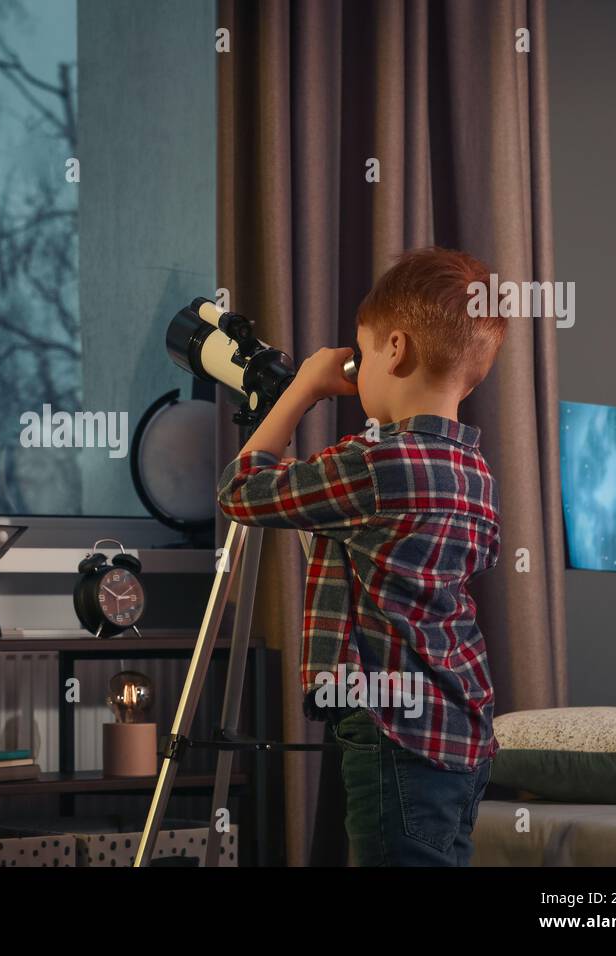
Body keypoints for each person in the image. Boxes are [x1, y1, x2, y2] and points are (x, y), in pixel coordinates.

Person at [216, 246, 506, 866]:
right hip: (461, 733)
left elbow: (239, 492)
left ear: (395, 348)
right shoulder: (475, 470)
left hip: (393, 735)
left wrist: (301, 390)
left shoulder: (373, 464)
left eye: (363, 351)